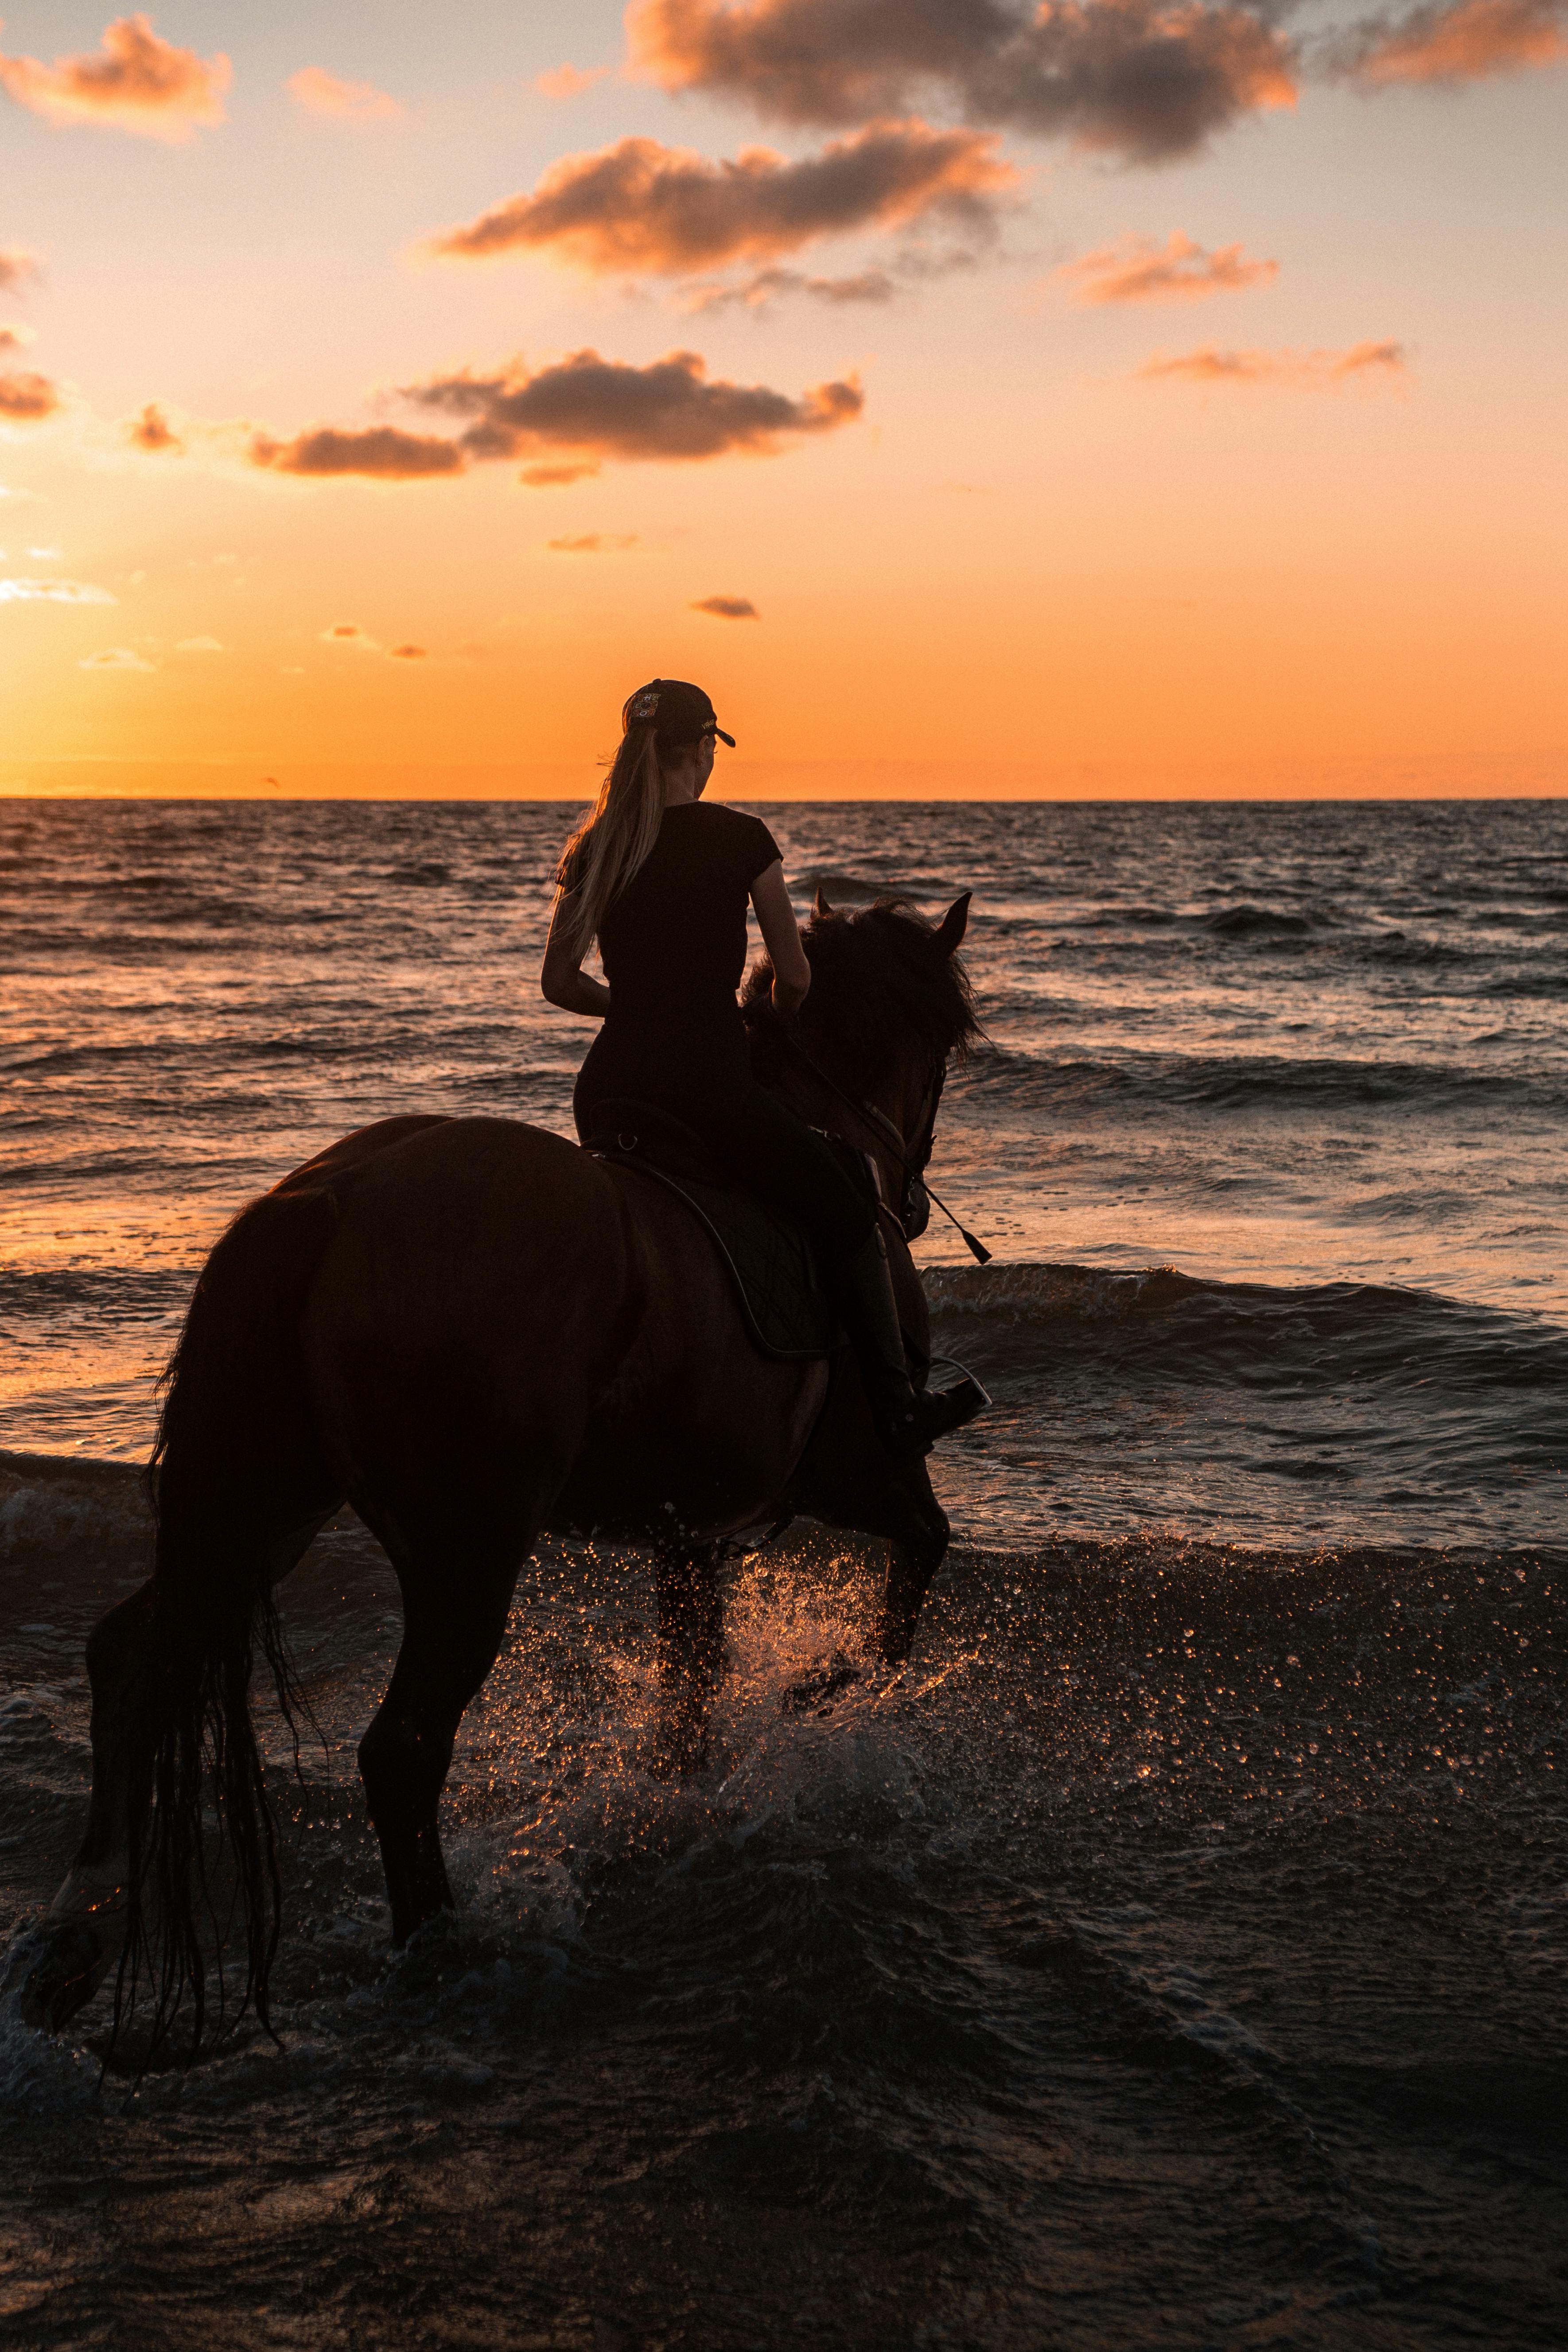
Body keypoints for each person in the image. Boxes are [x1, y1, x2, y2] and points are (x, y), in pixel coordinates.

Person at [540, 677, 971, 1463]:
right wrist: (759, 1018)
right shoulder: (742, 840)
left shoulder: (595, 847)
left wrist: (636, 1008)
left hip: (607, 1091)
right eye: (710, 748)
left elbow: (559, 982)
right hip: (707, 1089)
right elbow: (796, 978)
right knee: (844, 1205)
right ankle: (899, 1406)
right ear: (702, 749)